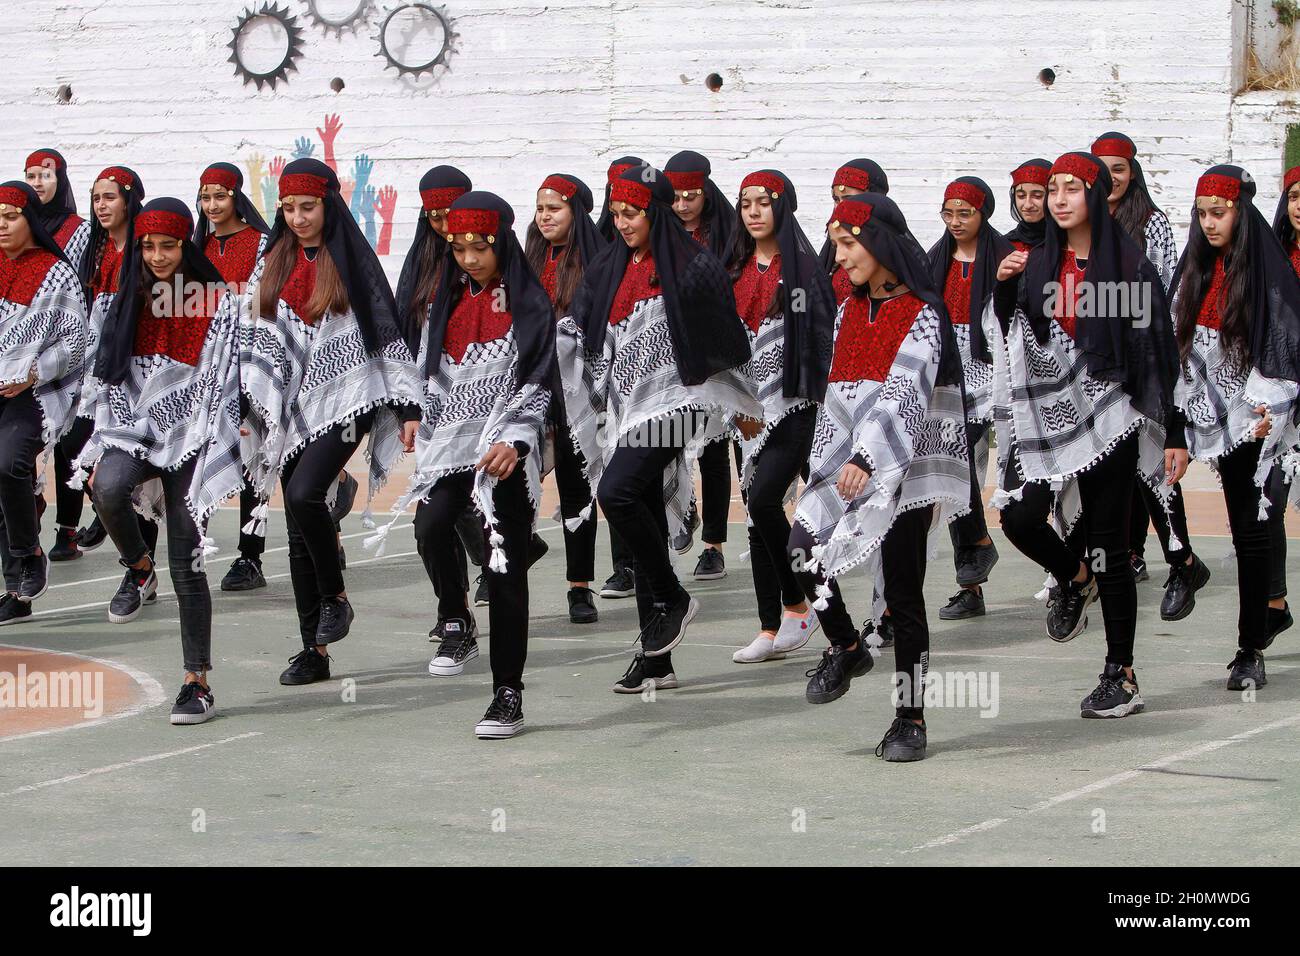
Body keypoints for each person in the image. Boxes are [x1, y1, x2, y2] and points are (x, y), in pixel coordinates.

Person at [994, 151, 1184, 719]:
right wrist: (1005, 289)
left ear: (1095, 196)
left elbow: (1157, 350)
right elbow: (1015, 334)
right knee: (1018, 517)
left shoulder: (1128, 268)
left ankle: (1120, 673)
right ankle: (1074, 577)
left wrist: (1173, 431)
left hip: (1110, 417)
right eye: (1052, 188)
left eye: (1071, 188)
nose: (1057, 198)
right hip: (1047, 421)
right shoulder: (1034, 263)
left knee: (1110, 544)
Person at [556, 164, 759, 693]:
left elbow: (723, 334)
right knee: (639, 507)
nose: (622, 223)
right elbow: (582, 326)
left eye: (633, 213)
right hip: (632, 408)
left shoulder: (693, 265)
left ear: (656, 211)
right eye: (616, 213)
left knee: (616, 491)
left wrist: (739, 401)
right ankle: (657, 657)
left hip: (682, 401)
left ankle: (674, 596)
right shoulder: (608, 266)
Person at [788, 192, 969, 762]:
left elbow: (904, 392)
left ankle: (910, 718)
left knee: (903, 596)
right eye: (836, 245)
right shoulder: (847, 310)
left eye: (849, 244)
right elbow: (839, 395)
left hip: (902, 470)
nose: (839, 257)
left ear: (881, 243)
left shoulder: (925, 313)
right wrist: (830, 458)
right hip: (843, 466)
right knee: (799, 548)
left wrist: (868, 457)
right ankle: (845, 644)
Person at [370, 192, 555, 738]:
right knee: (430, 523)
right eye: (459, 248)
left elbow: (541, 378)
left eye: (480, 248)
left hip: (504, 456)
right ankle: (457, 621)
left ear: (502, 244)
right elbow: (429, 370)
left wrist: (517, 440)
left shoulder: (528, 302)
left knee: (504, 571)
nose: (469, 259)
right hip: (451, 447)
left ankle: (508, 694)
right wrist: (415, 415)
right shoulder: (445, 301)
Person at [239, 158, 422, 686]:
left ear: (328, 205)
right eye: (289, 208)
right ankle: (313, 651)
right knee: (298, 527)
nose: (298, 218)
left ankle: (336, 596)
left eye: (308, 207)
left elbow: (385, 328)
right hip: (290, 408)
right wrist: (246, 405)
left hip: (350, 400)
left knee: (301, 495)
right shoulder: (272, 261)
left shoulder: (352, 260)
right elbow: (250, 340)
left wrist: (408, 407)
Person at [75, 198, 243, 723]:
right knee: (105, 486)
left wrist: (216, 421)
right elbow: (110, 372)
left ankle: (197, 682)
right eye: (147, 246)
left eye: (168, 245)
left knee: (187, 561)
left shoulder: (215, 301)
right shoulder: (126, 298)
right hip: (136, 432)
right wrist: (127, 421)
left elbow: (225, 375)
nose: (157, 255)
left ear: (185, 246)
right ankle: (137, 568)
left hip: (194, 438)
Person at [1173, 164, 1300, 691]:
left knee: (1252, 530)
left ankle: (1250, 648)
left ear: (1240, 212)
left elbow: (1284, 347)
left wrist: (1270, 407)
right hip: (1210, 420)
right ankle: (1259, 613)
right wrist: (1180, 428)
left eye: (1218, 212)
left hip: (1258, 423)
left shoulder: (1268, 274)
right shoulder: (1194, 273)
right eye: (1202, 214)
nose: (1208, 223)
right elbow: (1176, 354)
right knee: (1245, 527)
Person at [724, 170, 833, 664]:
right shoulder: (733, 268)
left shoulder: (802, 271)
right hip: (745, 412)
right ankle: (770, 626)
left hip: (796, 407)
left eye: (762, 202)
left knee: (767, 500)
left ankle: (800, 606)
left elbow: (815, 341)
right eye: (745, 202)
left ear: (782, 206)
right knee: (754, 513)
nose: (752, 211)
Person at [1091, 132, 1203, 603]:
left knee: (1151, 463)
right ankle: (1125, 557)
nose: (1111, 177)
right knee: (1112, 469)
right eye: (1103, 169)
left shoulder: (1151, 223)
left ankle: (1182, 560)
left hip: (1139, 358)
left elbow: (1158, 294)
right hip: (1095, 366)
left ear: (1131, 172)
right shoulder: (1083, 221)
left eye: (1119, 168)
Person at [0, 182, 86, 626]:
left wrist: (32, 372)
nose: (1, 224)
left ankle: (28, 552)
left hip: (30, 395)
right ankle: (17, 590)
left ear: (29, 219)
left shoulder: (57, 272)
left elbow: (76, 343)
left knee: (9, 464)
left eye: (10, 216)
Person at [928, 177, 1011, 621]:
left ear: (983, 214)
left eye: (965, 213)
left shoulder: (1003, 256)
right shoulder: (935, 257)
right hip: (949, 372)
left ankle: (980, 544)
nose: (956, 222)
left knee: (959, 459)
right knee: (954, 467)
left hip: (990, 371)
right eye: (949, 213)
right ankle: (971, 582)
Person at [190, 162, 275, 594]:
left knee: (251, 457)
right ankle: (193, 544)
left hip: (250, 364)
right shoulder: (197, 245)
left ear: (236, 197)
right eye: (205, 198)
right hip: (208, 368)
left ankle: (250, 556)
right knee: (202, 450)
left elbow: (264, 304)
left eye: (219, 196)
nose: (211, 205)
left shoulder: (261, 243)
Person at [524, 172, 605, 624]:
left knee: (577, 488)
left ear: (576, 211)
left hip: (576, 392)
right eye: (540, 209)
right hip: (532, 388)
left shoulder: (596, 261)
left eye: (554, 208)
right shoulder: (526, 257)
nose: (545, 216)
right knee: (510, 476)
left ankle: (580, 586)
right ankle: (514, 548)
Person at [664, 149, 739, 575]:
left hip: (714, 352)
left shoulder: (727, 234)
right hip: (670, 354)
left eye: (691, 195)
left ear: (705, 192)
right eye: (675, 196)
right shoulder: (661, 233)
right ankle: (681, 509)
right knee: (669, 441)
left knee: (713, 447)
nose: (682, 204)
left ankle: (714, 544)